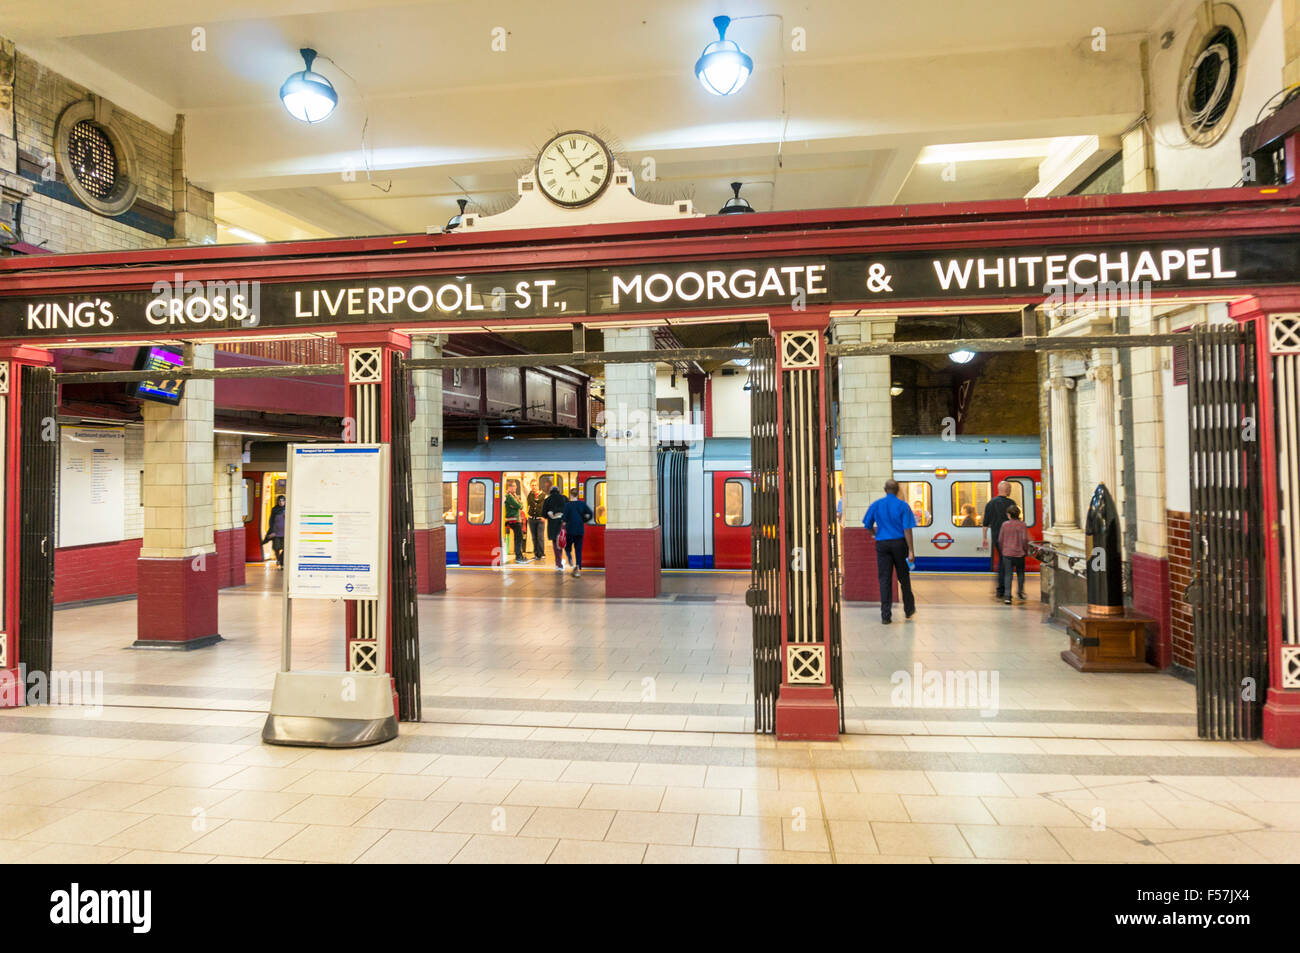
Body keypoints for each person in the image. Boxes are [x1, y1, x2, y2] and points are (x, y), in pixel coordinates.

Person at [863, 479, 916, 624]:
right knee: (903, 578)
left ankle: (885, 615)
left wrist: (874, 534)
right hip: (900, 544)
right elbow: (907, 530)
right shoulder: (903, 506)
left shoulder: (876, 504)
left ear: (884, 489)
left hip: (882, 544)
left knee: (884, 579)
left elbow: (867, 523)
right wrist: (911, 550)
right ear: (898, 490)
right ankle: (909, 609)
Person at [980, 481, 1016, 599]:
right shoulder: (1011, 503)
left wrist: (984, 538)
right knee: (1006, 563)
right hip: (1009, 537)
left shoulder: (990, 503)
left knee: (1002, 561)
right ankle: (1004, 589)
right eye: (1010, 488)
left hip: (996, 537)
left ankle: (1001, 589)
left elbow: (985, 523)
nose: (1010, 490)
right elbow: (1015, 521)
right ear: (1007, 490)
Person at [997, 503, 1029, 603]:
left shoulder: (1005, 525)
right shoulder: (1022, 525)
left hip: (1007, 554)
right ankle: (1020, 592)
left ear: (1009, 515)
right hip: (1020, 554)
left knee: (1008, 575)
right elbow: (1024, 539)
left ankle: (1007, 597)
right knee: (1020, 573)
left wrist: (1003, 550)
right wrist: (1025, 550)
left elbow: (1000, 539)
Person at [562, 486, 594, 577]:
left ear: (570, 495)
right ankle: (578, 567)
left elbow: (563, 518)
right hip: (580, 530)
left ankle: (570, 559)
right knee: (578, 549)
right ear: (577, 495)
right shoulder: (582, 504)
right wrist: (584, 520)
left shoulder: (567, 505)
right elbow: (590, 513)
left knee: (568, 547)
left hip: (570, 530)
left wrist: (564, 522)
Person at [544, 484, 567, 571]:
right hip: (562, 523)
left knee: (555, 542)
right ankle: (561, 560)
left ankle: (558, 563)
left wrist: (551, 514)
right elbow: (567, 509)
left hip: (552, 524)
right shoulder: (564, 498)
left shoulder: (547, 500)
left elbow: (544, 514)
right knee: (561, 541)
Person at [503, 480, 525, 563]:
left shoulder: (514, 495)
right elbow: (519, 505)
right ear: (509, 487)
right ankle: (518, 556)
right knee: (518, 538)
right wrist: (518, 505)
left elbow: (521, 505)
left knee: (519, 538)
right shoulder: (509, 496)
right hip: (513, 520)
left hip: (516, 519)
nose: (515, 487)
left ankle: (520, 555)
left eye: (515, 486)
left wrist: (518, 505)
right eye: (513, 486)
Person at [263, 494, 286, 569]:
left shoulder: (287, 509)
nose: (281, 502)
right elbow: (271, 521)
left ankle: (281, 561)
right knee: (276, 548)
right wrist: (272, 531)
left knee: (285, 548)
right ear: (277, 501)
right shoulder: (274, 509)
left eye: (283, 501)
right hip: (276, 533)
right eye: (280, 501)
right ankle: (279, 560)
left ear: (285, 501)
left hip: (285, 533)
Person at [526, 479, 545, 560]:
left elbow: (546, 507)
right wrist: (523, 479)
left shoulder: (544, 495)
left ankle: (542, 553)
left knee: (540, 537)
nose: (533, 487)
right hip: (531, 519)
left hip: (540, 519)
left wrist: (545, 516)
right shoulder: (530, 495)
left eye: (535, 485)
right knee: (534, 537)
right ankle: (537, 554)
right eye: (532, 485)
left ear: (538, 486)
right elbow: (524, 489)